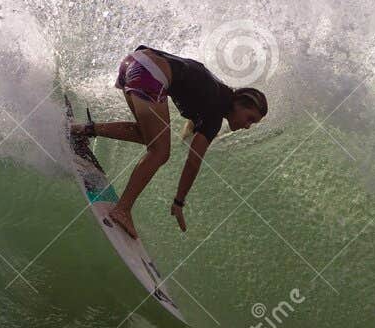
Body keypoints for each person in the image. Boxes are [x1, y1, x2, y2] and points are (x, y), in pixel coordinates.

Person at [72, 44, 268, 239]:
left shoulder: (218, 93)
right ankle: (122, 209)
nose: (247, 126)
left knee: (148, 135)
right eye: (249, 118)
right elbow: (193, 161)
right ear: (239, 104)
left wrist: (189, 132)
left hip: (135, 62)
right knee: (160, 151)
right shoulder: (216, 113)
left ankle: (83, 130)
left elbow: (196, 101)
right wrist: (179, 202)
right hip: (150, 73)